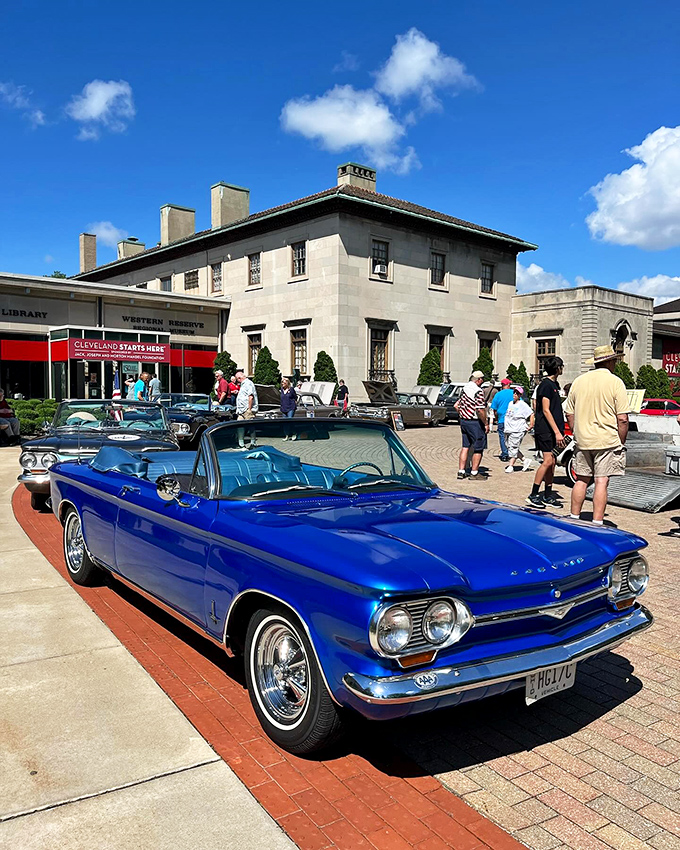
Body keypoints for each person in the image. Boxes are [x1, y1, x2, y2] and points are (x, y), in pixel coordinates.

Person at [564, 345, 630, 525]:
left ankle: (574, 517)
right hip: (606, 439)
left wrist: (577, 431)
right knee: (601, 481)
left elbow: (569, 413)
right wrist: (621, 440)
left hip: (583, 439)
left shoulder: (578, 381)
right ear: (609, 361)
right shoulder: (615, 382)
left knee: (581, 480)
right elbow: (622, 418)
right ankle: (597, 522)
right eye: (615, 360)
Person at [527, 356, 565, 508]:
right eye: (561, 366)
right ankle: (534, 494)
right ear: (557, 368)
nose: (563, 368)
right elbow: (545, 410)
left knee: (553, 462)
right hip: (545, 429)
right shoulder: (546, 385)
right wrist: (556, 432)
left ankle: (547, 494)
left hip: (553, 428)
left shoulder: (555, 384)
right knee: (547, 461)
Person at [455, 370, 489, 480]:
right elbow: (480, 410)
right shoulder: (477, 391)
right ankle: (474, 473)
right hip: (474, 422)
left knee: (465, 446)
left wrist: (462, 414)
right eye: (482, 379)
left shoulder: (464, 389)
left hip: (464, 421)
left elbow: (456, 405)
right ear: (478, 380)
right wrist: (485, 423)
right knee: (478, 448)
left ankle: (461, 471)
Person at [503, 388, 534, 472]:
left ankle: (511, 465)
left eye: (517, 393)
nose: (515, 394)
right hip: (508, 428)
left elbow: (531, 414)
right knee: (509, 446)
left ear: (520, 395)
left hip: (518, 429)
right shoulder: (510, 403)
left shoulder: (522, 404)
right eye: (514, 393)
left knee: (513, 446)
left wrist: (531, 425)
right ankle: (524, 460)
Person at [490, 378, 514, 461]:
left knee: (502, 437)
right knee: (511, 437)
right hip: (512, 419)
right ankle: (512, 453)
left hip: (502, 419)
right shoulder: (513, 393)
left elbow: (494, 409)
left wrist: (496, 418)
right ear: (507, 385)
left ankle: (504, 453)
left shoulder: (498, 395)